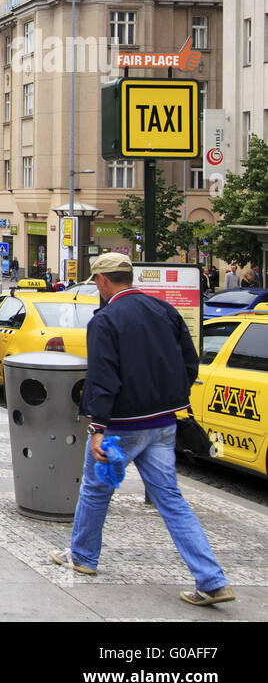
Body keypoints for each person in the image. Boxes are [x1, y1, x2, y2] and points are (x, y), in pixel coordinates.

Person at [51, 252, 235, 607]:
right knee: (171, 499)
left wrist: (98, 428)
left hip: (123, 425)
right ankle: (212, 580)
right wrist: (174, 399)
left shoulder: (105, 320)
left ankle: (83, 556)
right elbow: (189, 361)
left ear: (103, 282)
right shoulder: (163, 310)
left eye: (97, 284)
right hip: (165, 423)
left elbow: (103, 378)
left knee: (95, 490)